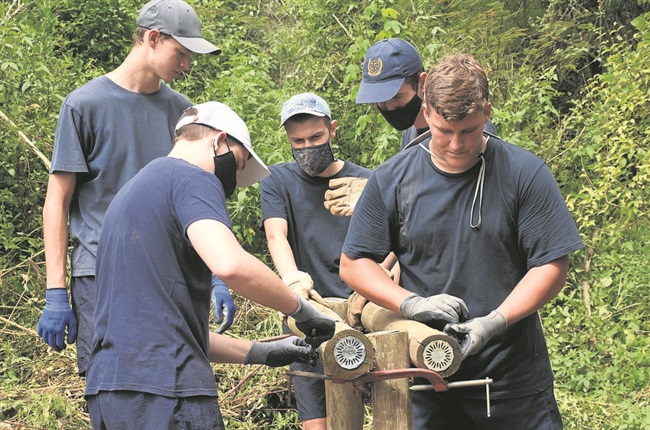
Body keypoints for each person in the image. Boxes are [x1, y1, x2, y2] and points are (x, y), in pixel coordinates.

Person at [340, 53, 584, 429]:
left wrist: (494, 322)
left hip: (512, 379)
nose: (455, 145)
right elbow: (354, 263)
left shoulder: (524, 172)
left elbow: (551, 264)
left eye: (468, 131)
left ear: (486, 111)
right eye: (443, 131)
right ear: (427, 111)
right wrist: (412, 303)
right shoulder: (393, 179)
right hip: (428, 373)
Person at [84, 101, 336, 429]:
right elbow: (231, 265)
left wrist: (262, 353)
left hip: (113, 390)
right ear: (218, 142)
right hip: (166, 393)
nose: (231, 181)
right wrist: (302, 310)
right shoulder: (192, 177)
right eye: (239, 164)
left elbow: (167, 332)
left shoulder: (132, 193)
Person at [36, 0, 235, 376]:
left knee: (175, 377)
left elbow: (198, 197)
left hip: (168, 273)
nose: (187, 65)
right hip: (102, 271)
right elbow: (57, 201)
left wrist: (217, 274)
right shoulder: (84, 105)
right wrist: (55, 291)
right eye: (181, 52)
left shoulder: (184, 114)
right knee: (113, 383)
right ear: (154, 38)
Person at [260, 92, 374, 430]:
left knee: (386, 407)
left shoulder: (364, 181)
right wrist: (293, 281)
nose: (308, 147)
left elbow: (392, 240)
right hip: (307, 313)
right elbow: (276, 235)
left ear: (332, 130)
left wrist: (375, 283)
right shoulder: (277, 180)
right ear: (288, 140)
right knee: (317, 422)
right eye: (299, 141)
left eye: (316, 138)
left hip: (363, 309)